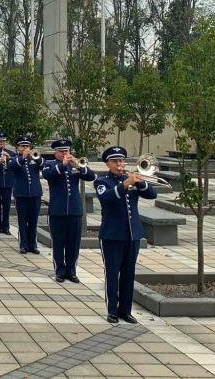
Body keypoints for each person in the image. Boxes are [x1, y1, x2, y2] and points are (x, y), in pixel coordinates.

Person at [95, 146, 156, 324]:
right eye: (115, 161)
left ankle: (126, 311)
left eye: (122, 160)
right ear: (107, 163)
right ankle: (112, 311)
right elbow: (106, 198)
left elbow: (152, 194)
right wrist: (125, 184)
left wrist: (141, 182)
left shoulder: (132, 179)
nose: (120, 164)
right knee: (112, 274)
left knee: (129, 275)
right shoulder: (102, 181)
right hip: (112, 235)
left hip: (132, 234)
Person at [42, 139, 97, 283]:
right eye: (61, 151)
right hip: (57, 211)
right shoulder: (49, 164)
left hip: (75, 210)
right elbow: (48, 175)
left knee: (73, 244)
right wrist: (63, 164)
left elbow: (91, 176)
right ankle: (60, 271)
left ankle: (71, 271)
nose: (64, 153)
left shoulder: (75, 165)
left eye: (66, 151)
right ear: (55, 153)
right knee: (58, 243)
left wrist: (80, 167)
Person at [9, 136, 44, 255]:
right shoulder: (15, 159)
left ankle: (33, 245)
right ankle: (23, 245)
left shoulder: (34, 158)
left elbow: (43, 166)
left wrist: (36, 157)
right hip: (21, 194)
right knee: (22, 220)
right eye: (22, 146)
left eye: (27, 146)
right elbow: (12, 167)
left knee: (34, 221)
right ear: (18, 148)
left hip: (35, 194)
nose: (25, 148)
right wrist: (23, 157)